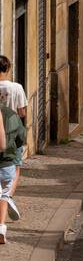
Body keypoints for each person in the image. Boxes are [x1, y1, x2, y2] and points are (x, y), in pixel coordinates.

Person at [0, 56, 27, 213]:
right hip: (12, 135)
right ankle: (7, 196)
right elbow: (22, 112)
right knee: (15, 167)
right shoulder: (16, 87)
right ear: (8, 69)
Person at [0, 100, 26, 246]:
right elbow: (21, 136)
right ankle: (1, 227)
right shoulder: (11, 114)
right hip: (7, 162)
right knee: (4, 194)